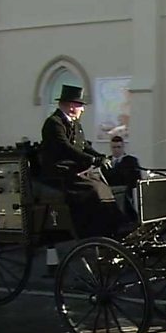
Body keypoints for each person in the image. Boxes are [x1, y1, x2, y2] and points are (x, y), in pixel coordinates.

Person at [39, 84, 123, 239]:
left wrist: (101, 157)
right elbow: (66, 148)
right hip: (60, 172)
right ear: (72, 106)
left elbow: (84, 146)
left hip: (74, 169)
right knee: (92, 189)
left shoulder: (76, 124)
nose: (82, 110)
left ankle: (115, 225)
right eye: (80, 106)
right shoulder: (53, 123)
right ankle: (89, 231)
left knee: (103, 185)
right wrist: (92, 160)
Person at [104, 135, 142, 220]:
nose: (116, 150)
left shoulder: (131, 161)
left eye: (119, 147)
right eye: (114, 147)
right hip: (109, 198)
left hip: (126, 198)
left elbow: (137, 180)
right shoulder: (106, 162)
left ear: (123, 147)